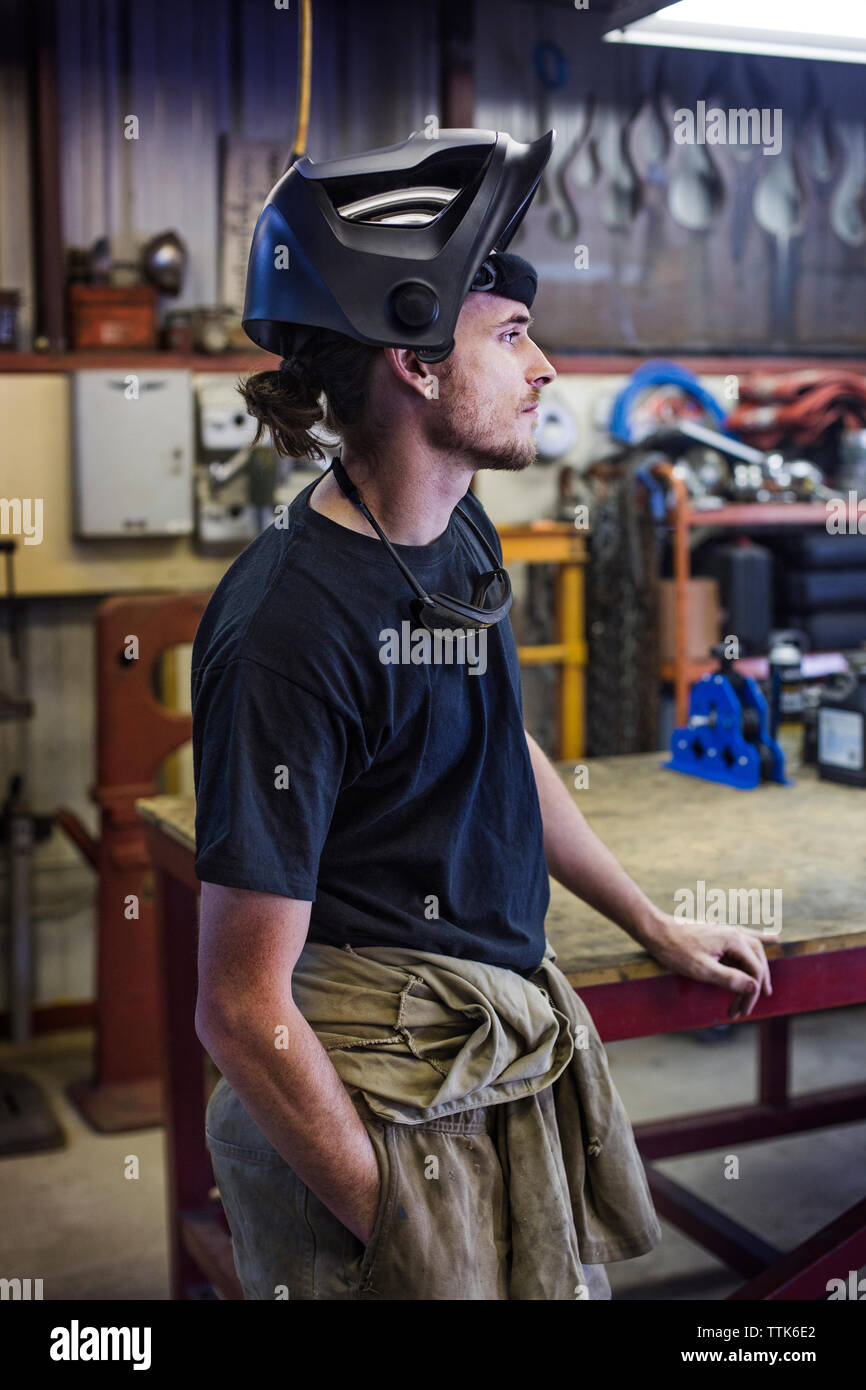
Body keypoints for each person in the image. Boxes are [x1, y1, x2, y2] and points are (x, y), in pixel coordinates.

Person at [191, 129, 772, 1301]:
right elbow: (241, 1010)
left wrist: (651, 923)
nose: (542, 368)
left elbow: (493, 744)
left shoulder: (454, 530)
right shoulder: (289, 631)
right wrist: (398, 1224)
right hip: (367, 1104)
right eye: (509, 337)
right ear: (412, 362)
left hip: (485, 1067)